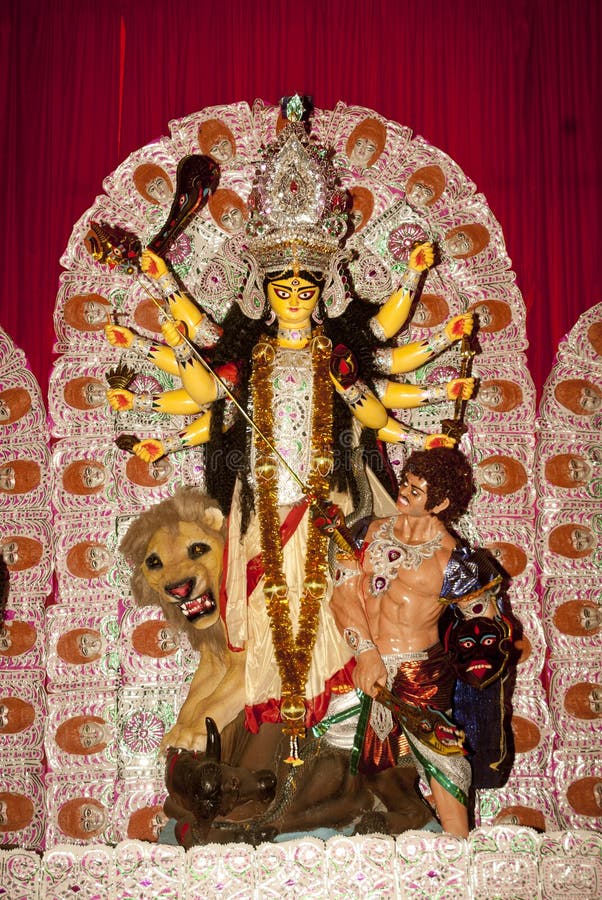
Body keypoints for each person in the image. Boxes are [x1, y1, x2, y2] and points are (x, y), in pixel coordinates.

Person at [104, 104, 475, 751]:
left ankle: (343, 745)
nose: (296, 296)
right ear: (266, 291)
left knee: (343, 614)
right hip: (261, 512)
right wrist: (159, 291)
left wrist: (412, 295)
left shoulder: (343, 351)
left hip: (326, 500)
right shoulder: (245, 358)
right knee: (266, 626)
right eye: (284, 288)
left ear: (322, 288)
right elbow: (204, 392)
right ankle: (275, 744)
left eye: (308, 286)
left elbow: (378, 405)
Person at [330, 447, 502, 837]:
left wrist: (486, 648)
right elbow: (342, 596)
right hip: (359, 662)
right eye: (405, 482)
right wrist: (367, 655)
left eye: (416, 490)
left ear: (440, 503)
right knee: (328, 741)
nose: (404, 493)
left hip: (419, 671)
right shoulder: (365, 532)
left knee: (441, 755)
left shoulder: (455, 562)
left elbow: (483, 630)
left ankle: (458, 847)